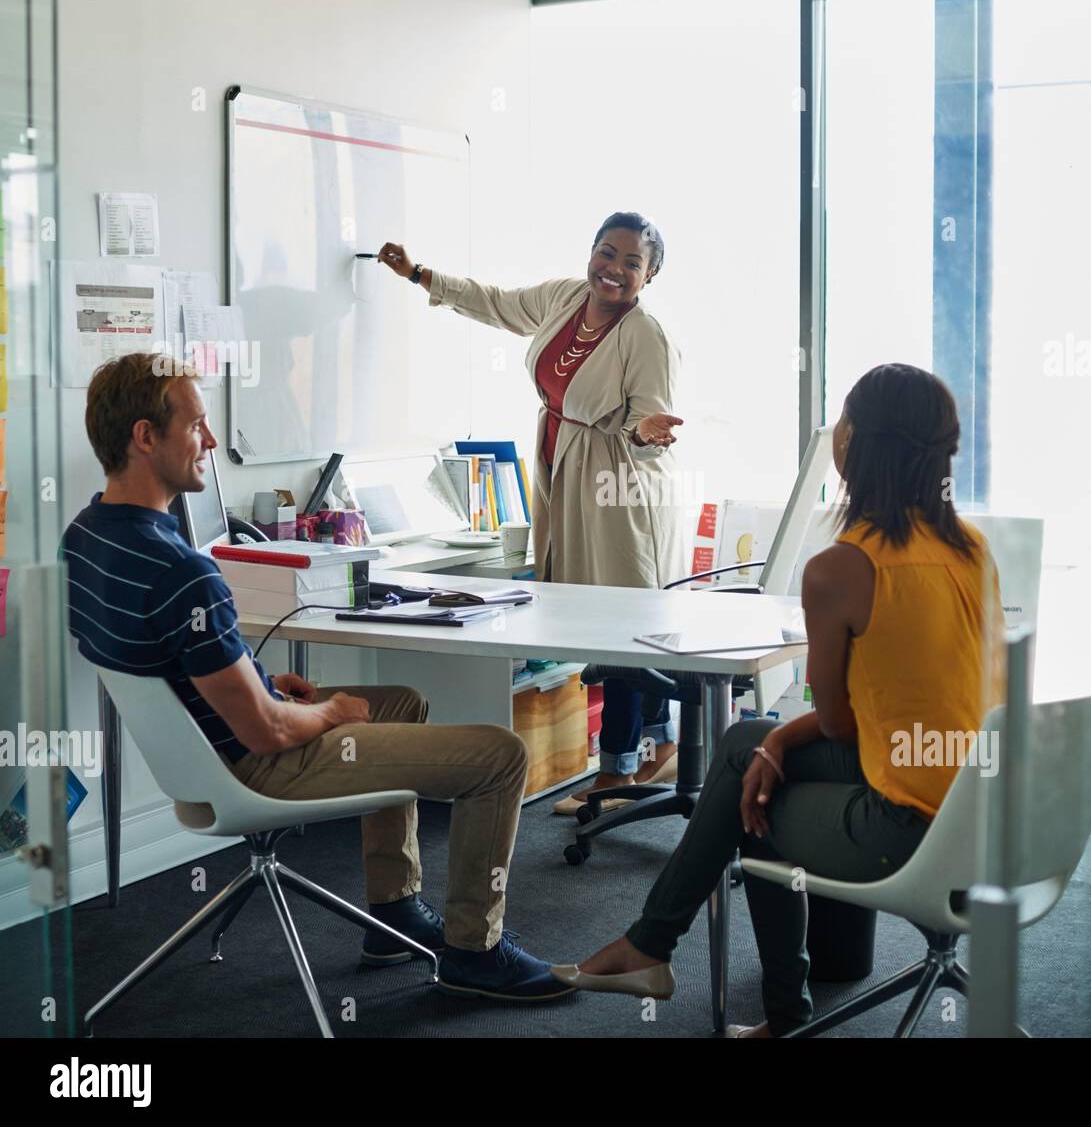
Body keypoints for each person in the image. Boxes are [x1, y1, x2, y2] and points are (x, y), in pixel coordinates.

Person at [63, 353, 572, 1002]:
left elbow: (173, 666)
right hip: (255, 763)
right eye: (196, 425)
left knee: (402, 702)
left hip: (200, 751)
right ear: (144, 437)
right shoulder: (182, 571)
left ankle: (393, 913)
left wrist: (258, 678)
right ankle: (478, 951)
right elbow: (270, 729)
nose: (212, 441)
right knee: (501, 755)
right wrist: (326, 713)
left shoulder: (85, 536)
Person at [549, 364, 1007, 1035]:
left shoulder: (842, 568)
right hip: (986, 811)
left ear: (861, 445)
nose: (838, 436)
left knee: (755, 806)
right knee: (747, 744)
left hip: (915, 829)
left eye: (845, 422)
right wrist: (773, 739)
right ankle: (656, 947)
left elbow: (840, 722)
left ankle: (736, 992)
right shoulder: (972, 548)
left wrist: (779, 744)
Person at [379, 213, 687, 815]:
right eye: (607, 252)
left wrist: (648, 431)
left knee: (621, 623)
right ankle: (661, 743)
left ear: (649, 276)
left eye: (632, 262)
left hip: (617, 485)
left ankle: (620, 769)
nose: (614, 269)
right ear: (590, 253)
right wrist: (419, 275)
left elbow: (648, 421)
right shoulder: (563, 299)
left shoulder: (646, 334)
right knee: (590, 616)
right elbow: (496, 303)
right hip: (561, 468)